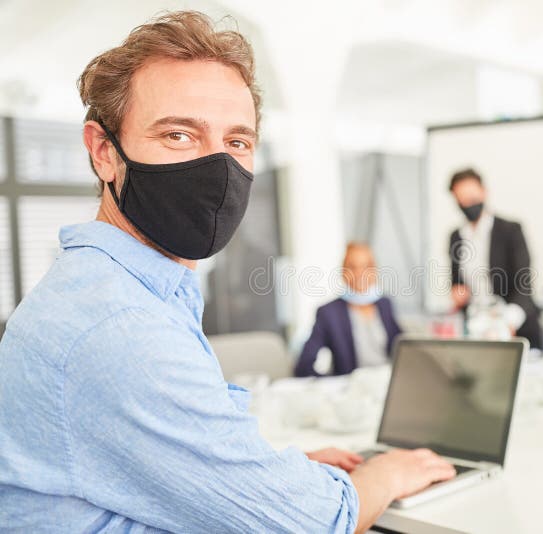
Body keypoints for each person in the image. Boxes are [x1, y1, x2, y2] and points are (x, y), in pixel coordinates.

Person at [0, 11, 454, 533]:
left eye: (237, 142)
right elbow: (310, 524)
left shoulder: (123, 292)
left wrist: (271, 475)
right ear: (105, 152)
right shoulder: (118, 326)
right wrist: (387, 474)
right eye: (178, 135)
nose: (218, 169)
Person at [448, 168, 542, 348]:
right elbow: (457, 282)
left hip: (514, 326)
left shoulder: (510, 230)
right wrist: (457, 291)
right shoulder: (456, 237)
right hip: (477, 329)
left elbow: (524, 284)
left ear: (484, 193)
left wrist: (508, 323)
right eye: (463, 200)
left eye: (472, 198)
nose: (468, 204)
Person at [296, 242, 402, 377]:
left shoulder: (384, 305)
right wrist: (334, 385)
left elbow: (403, 348)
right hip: (352, 388)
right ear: (343, 272)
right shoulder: (328, 313)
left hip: (387, 381)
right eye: (352, 267)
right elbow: (303, 366)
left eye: (366, 267)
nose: (359, 274)